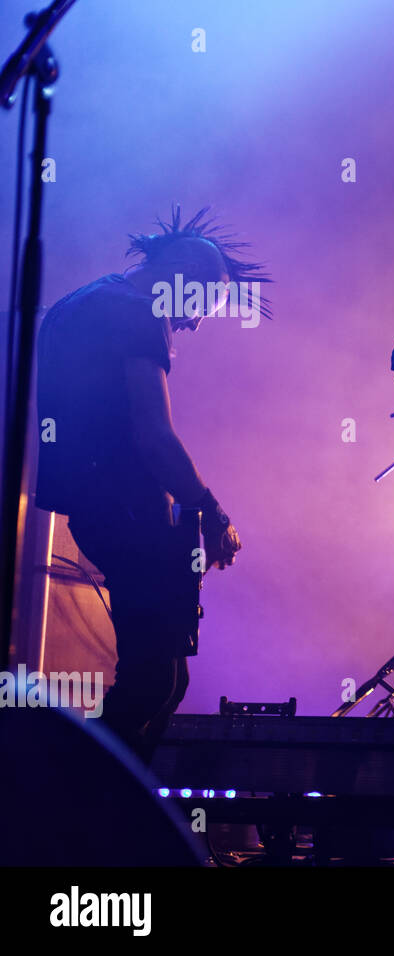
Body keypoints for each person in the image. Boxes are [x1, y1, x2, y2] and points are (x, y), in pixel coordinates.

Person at [35, 208, 263, 762]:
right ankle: (71, 798)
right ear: (183, 273)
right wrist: (211, 511)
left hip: (98, 512)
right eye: (203, 304)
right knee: (150, 682)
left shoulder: (78, 303)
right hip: (126, 516)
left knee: (168, 680)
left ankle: (113, 817)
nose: (196, 323)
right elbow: (154, 437)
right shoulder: (135, 314)